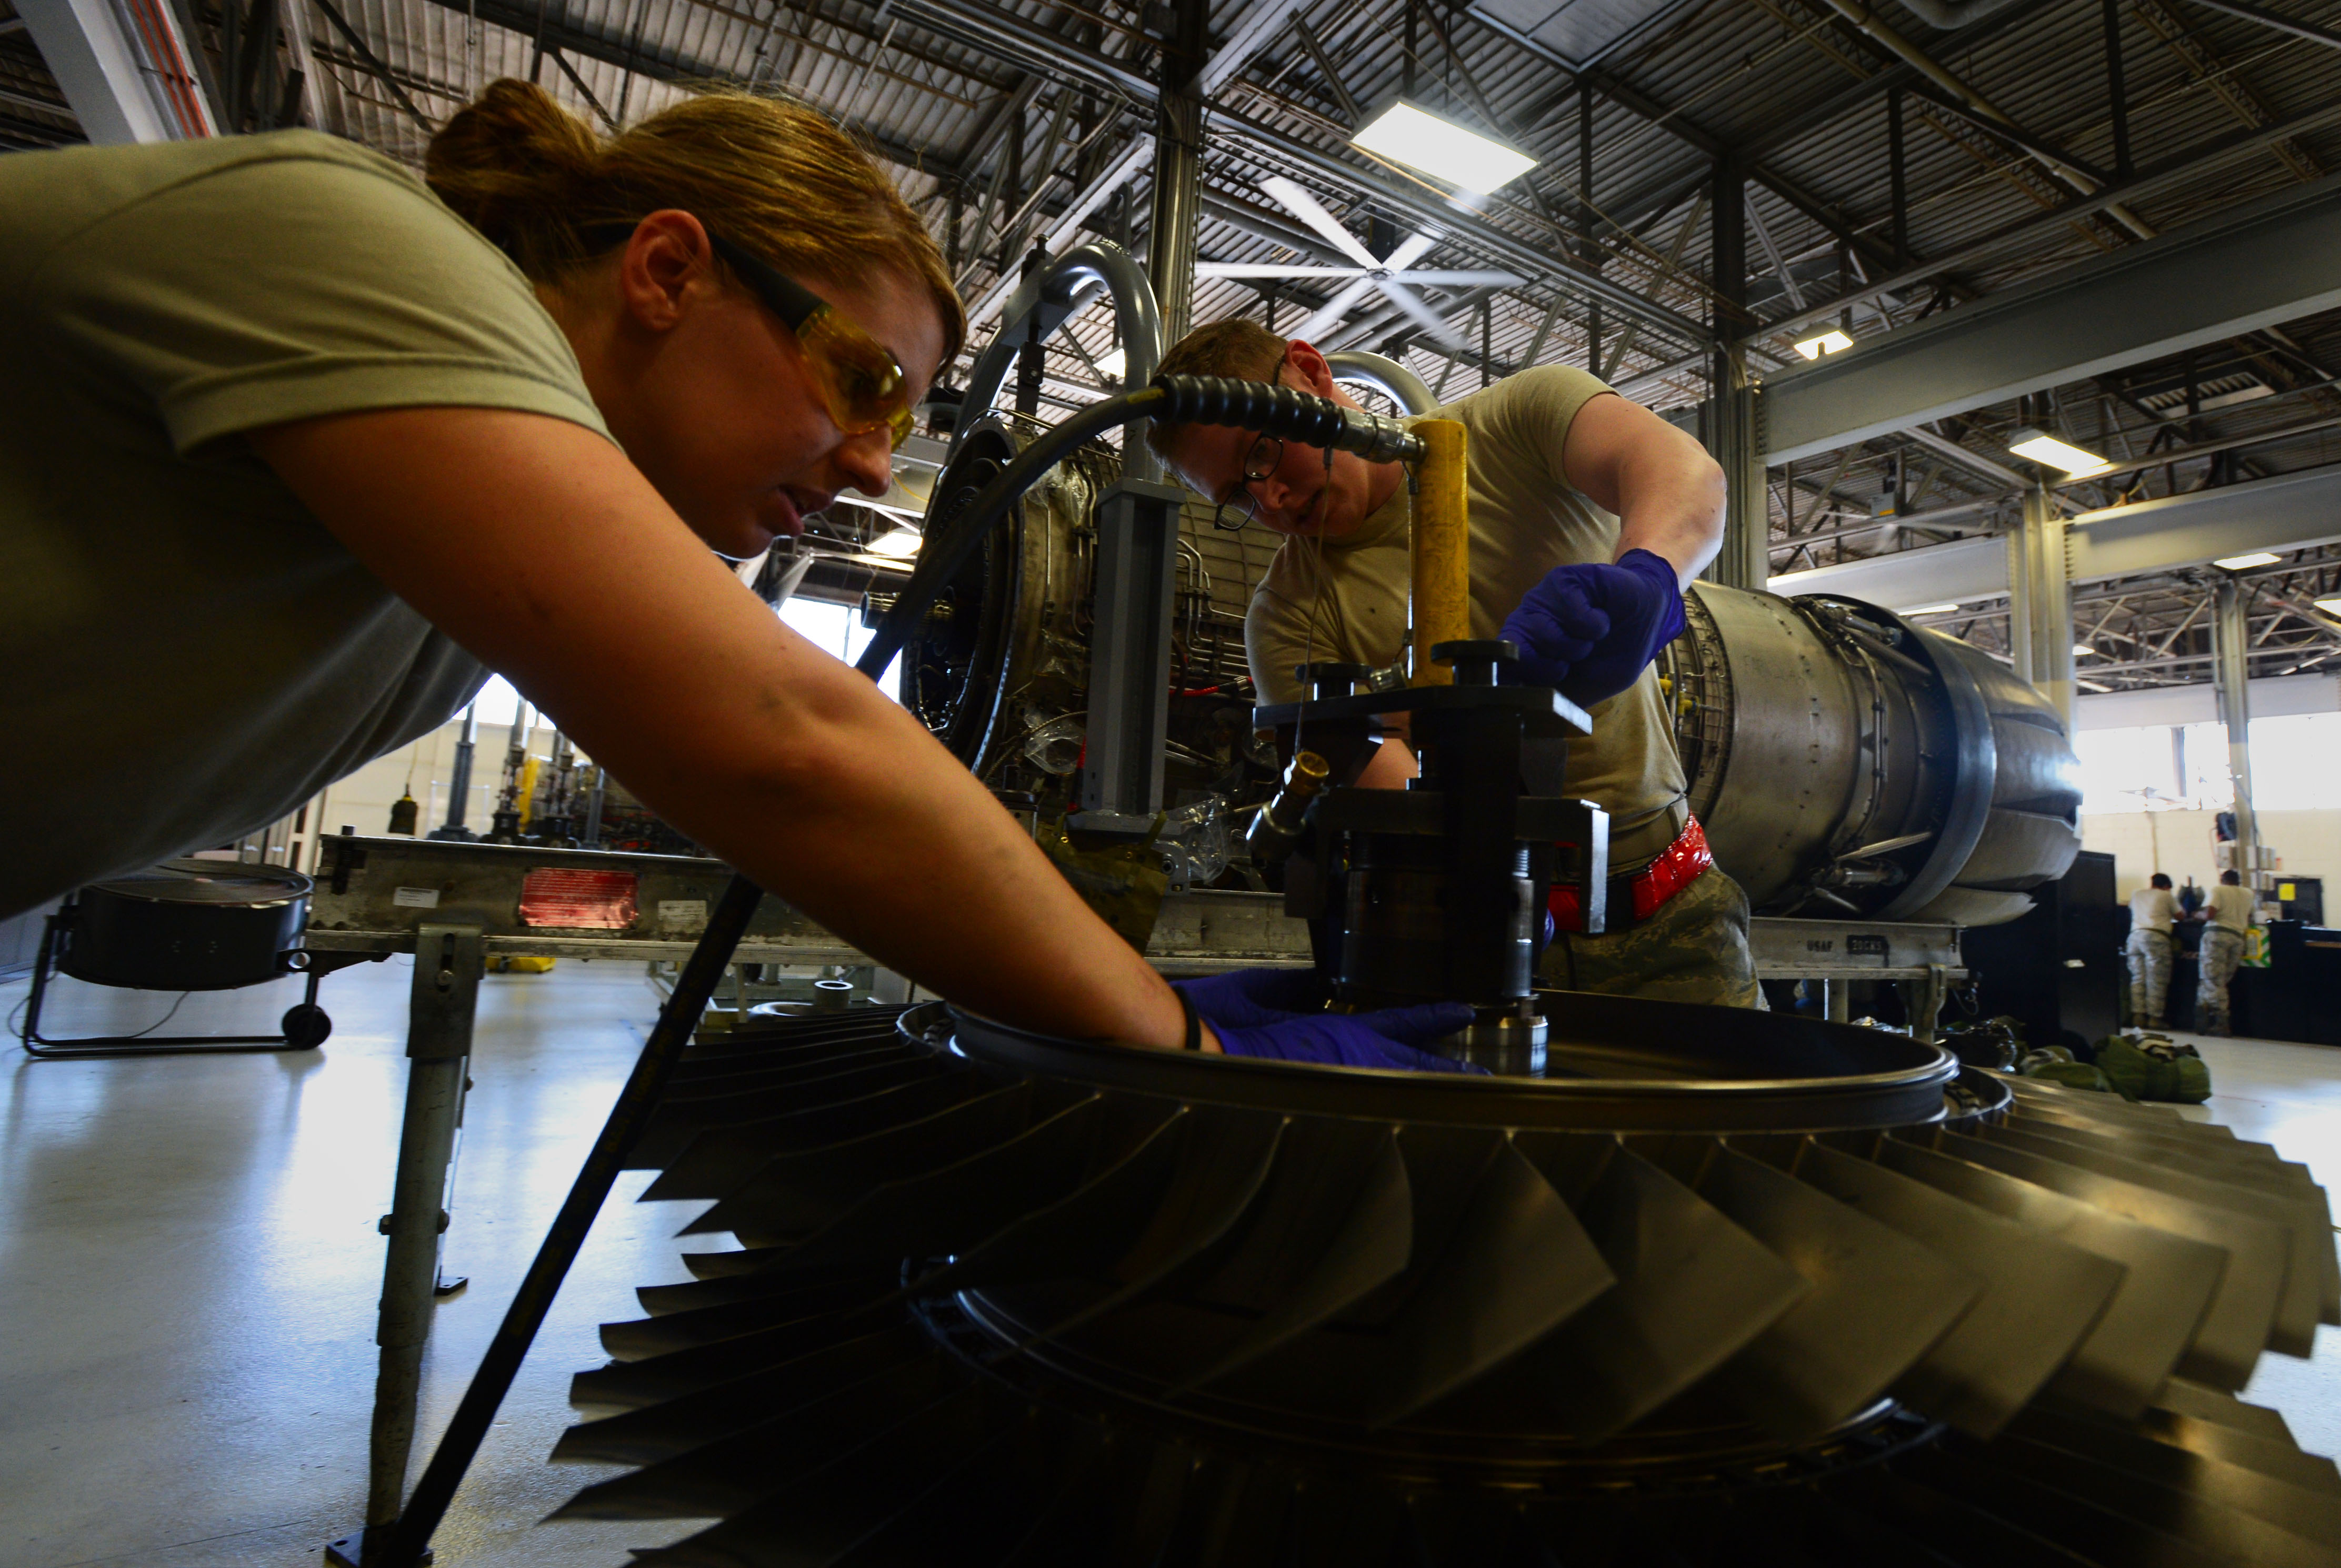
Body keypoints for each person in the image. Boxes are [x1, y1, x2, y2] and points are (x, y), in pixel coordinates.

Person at [0, 82, 1458, 1070]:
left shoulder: (458, 579)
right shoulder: (348, 243)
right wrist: (1179, 1043)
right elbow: (786, 742)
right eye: (863, 380)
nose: (878, 468)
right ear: (668, 272)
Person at [1147, 319, 1758, 1008]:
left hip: (1678, 919)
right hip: (1487, 947)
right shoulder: (1290, 616)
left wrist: (1650, 576)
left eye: (1260, 454)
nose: (1270, 500)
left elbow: (1683, 472)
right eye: (1235, 497)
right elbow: (1414, 811)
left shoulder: (1515, 422)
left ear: (1310, 373)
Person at [2194, 869, 2254, 1037]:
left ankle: (2221, 1021)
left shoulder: (2218, 890)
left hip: (2217, 935)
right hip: (2237, 938)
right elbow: (2249, 916)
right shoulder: (2248, 894)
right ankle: (2205, 1015)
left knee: (2213, 980)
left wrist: (2197, 914)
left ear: (2223, 879)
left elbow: (2210, 914)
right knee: (2221, 979)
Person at [2126, 872, 2180, 1031]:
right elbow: (2180, 915)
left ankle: (2138, 1017)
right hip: (2156, 938)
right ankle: (2155, 1018)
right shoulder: (2166, 895)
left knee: (2138, 978)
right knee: (2156, 979)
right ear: (2166, 887)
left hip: (2134, 938)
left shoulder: (2136, 894)